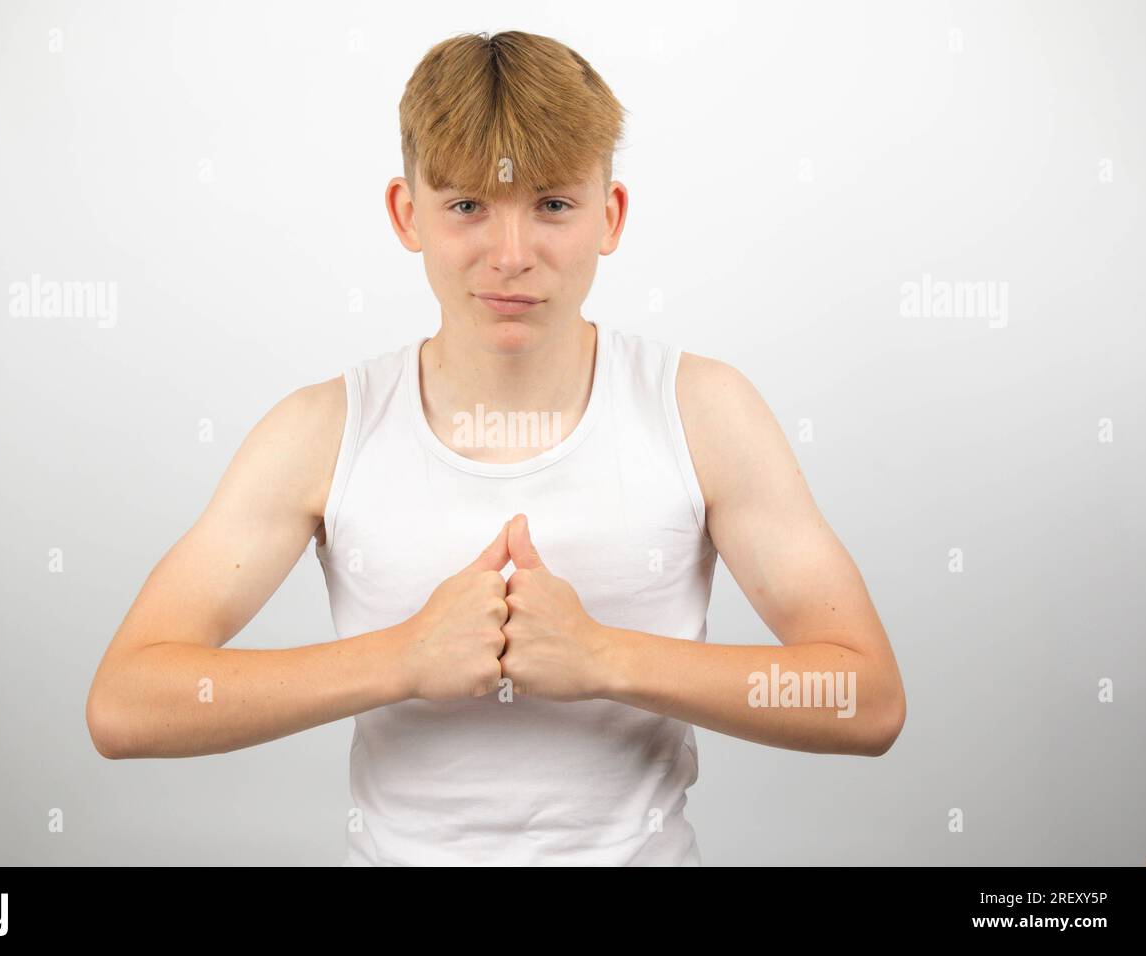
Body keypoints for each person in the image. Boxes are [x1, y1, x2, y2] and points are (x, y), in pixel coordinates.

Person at [85, 30, 906, 866]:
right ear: (407, 213)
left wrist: (606, 658)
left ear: (610, 216)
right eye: (467, 206)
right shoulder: (321, 429)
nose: (511, 257)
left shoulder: (703, 411)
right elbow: (124, 703)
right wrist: (400, 659)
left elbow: (867, 699)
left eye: (552, 205)